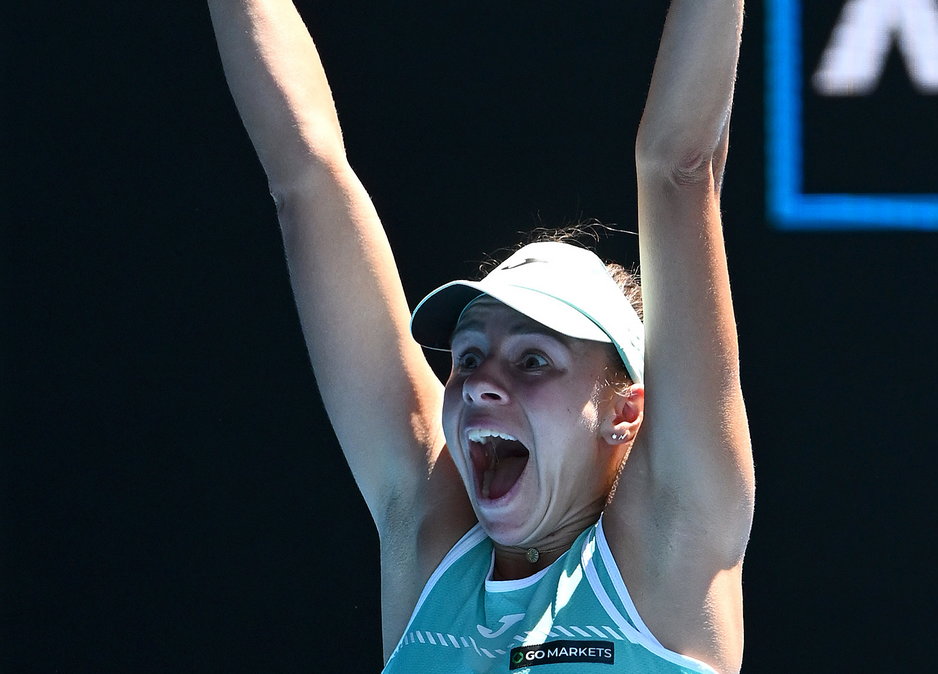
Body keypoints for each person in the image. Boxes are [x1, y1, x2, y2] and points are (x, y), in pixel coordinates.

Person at [208, 1, 752, 671]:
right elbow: (304, 175)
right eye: (466, 357)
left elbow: (678, 168)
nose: (480, 384)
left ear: (625, 412)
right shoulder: (432, 548)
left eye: (532, 360)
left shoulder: (671, 547)